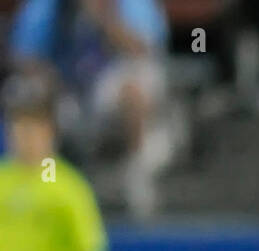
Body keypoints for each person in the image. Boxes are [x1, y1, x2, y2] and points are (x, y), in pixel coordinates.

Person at [8, 0, 169, 218]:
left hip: (108, 84)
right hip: (66, 85)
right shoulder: (47, 5)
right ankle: (41, 182)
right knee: (25, 91)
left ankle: (137, 180)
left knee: (134, 90)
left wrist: (103, 17)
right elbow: (24, 53)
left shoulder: (132, 4)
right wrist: (48, 76)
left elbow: (144, 50)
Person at [0, 71, 106, 251]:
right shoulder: (3, 178)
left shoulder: (64, 185)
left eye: (32, 124)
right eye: (17, 124)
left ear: (50, 130)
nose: (23, 133)